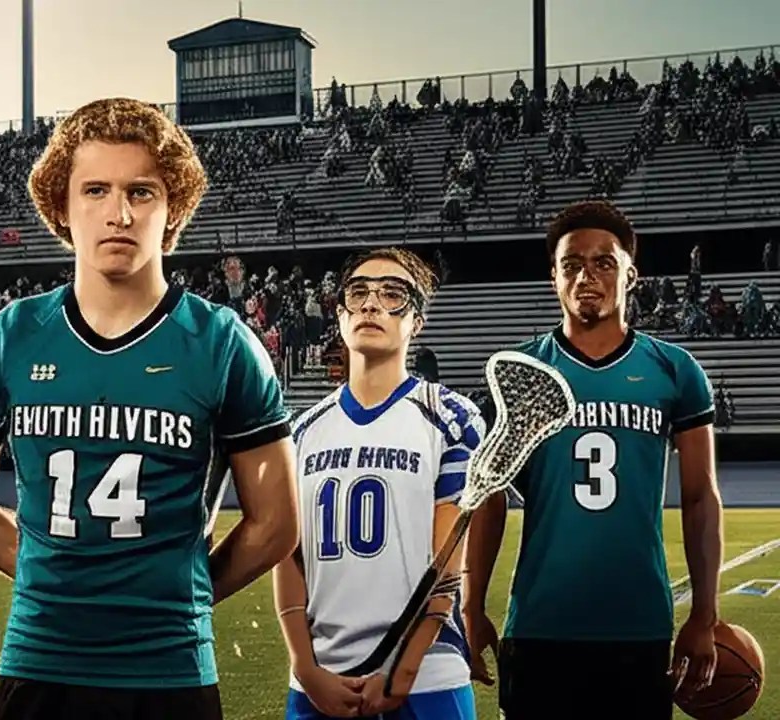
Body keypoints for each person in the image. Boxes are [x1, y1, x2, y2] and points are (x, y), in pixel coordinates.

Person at [0, 97, 300, 720]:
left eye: (142, 192)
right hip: (39, 661)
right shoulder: (12, 333)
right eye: (96, 190)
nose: (119, 213)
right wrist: (46, 573)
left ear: (172, 206)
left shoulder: (221, 342)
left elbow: (275, 523)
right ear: (63, 206)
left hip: (169, 666)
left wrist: (188, 595)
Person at [464, 200, 723, 720]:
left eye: (604, 262)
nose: (587, 275)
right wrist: (472, 605)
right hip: (540, 624)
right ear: (553, 277)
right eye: (572, 263)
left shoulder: (674, 370)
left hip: (639, 626)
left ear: (631, 274)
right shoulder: (521, 372)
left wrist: (704, 613)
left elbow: (700, 497)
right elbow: (490, 495)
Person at [275, 247, 482, 720]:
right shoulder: (303, 430)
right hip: (320, 678)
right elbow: (289, 559)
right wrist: (306, 670)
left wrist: (402, 674)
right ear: (341, 314)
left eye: (392, 294)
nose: (372, 304)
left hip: (427, 677)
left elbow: (447, 565)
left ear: (417, 321)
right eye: (359, 292)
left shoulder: (450, 417)